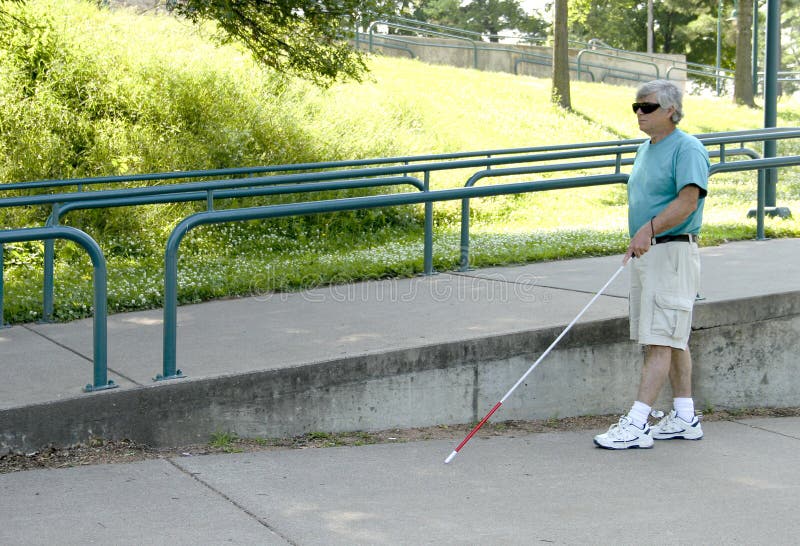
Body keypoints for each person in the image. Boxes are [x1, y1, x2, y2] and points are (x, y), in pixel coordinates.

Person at [593, 79, 710, 450]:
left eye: (648, 107)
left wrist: (649, 229)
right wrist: (644, 235)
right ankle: (685, 416)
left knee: (661, 337)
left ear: (671, 110)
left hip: (672, 251)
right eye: (636, 107)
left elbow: (688, 202)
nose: (639, 113)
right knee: (670, 337)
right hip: (650, 252)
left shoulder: (688, 148)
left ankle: (639, 423)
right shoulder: (646, 149)